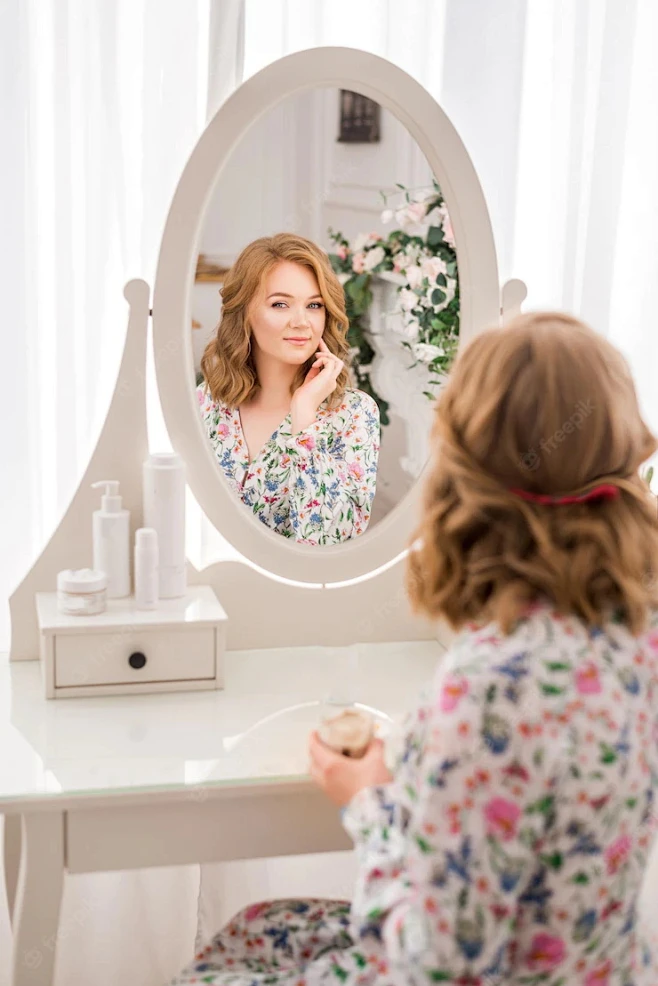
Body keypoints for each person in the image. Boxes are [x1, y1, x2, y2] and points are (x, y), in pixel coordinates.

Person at [173, 311, 658, 985]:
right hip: (597, 966)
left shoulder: (492, 683)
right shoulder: (639, 629)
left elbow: (437, 963)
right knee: (259, 925)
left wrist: (369, 800)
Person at [197, 233, 380, 545]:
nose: (301, 322)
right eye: (280, 304)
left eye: (314, 305)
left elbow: (328, 542)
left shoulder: (353, 414)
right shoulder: (206, 403)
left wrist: (305, 417)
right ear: (245, 312)